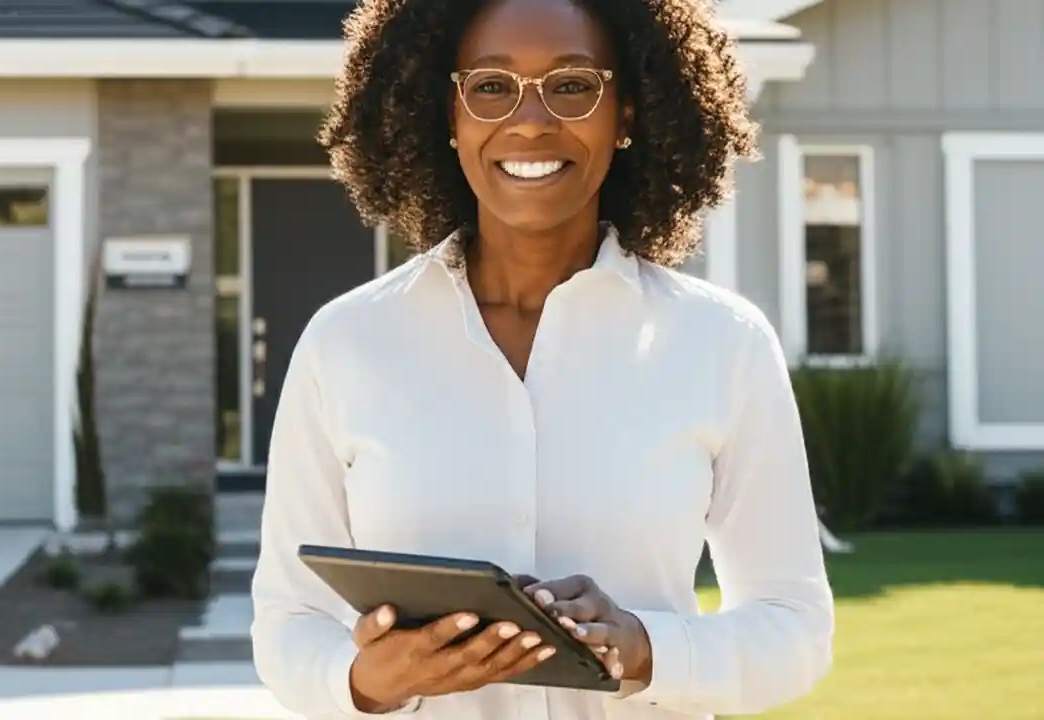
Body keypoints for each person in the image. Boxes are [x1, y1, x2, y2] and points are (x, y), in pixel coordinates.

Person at [249, 0, 835, 717]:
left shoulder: (723, 342)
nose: (531, 121)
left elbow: (795, 629)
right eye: (491, 87)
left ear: (626, 114)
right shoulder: (346, 343)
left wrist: (645, 647)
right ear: (450, 116)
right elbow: (287, 624)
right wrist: (373, 681)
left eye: (573, 85)